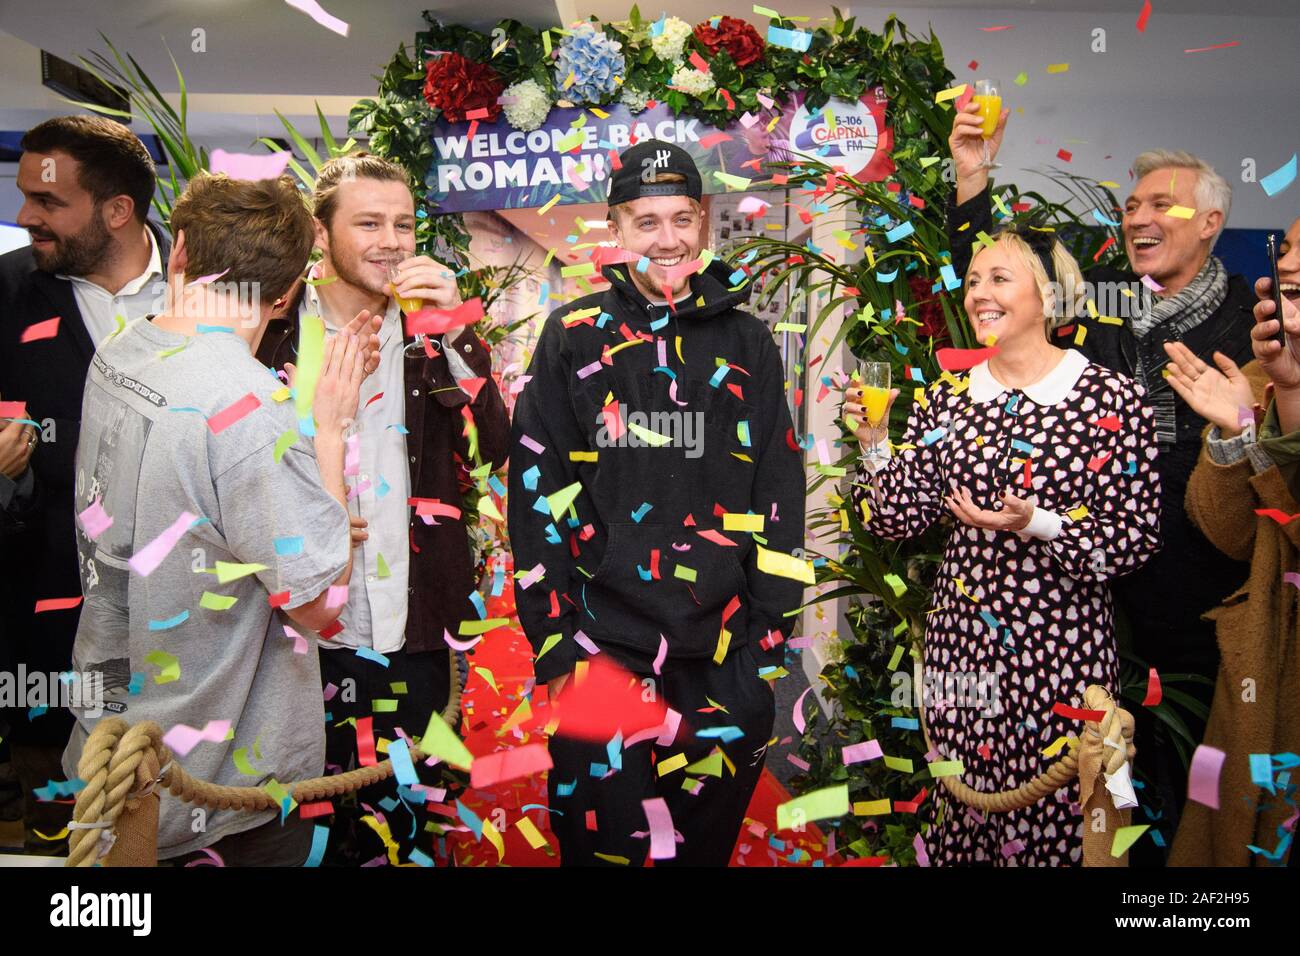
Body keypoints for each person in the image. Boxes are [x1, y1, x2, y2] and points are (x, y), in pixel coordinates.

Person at [946, 104, 1256, 858]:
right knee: (1092, 795)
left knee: (1194, 790)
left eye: (1162, 204)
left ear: (1211, 220)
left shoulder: (1255, 321)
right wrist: (971, 172)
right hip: (1087, 604)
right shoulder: (1097, 301)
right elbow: (996, 275)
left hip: (1202, 600)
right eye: (1132, 205)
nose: (1139, 217)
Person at [62, 171, 382, 866]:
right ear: (288, 292)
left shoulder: (121, 349)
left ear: (177, 253)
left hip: (111, 749)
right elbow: (316, 609)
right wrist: (328, 433)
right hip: (216, 792)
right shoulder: (251, 409)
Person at [507, 140, 805, 866]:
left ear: (703, 224)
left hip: (724, 657)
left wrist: (766, 639)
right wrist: (556, 649)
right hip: (600, 654)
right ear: (616, 227)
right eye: (646, 222)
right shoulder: (572, 335)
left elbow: (778, 492)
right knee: (603, 854)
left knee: (697, 854)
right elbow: (535, 496)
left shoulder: (748, 340)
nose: (666, 240)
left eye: (680, 220)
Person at [845, 227, 1162, 865]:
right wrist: (875, 443)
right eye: (972, 282)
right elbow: (895, 518)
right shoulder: (945, 398)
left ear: (1047, 295)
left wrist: (1036, 523)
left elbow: (1132, 541)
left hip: (1062, 652)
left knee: (1061, 828)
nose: (979, 295)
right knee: (965, 823)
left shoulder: (1114, 397)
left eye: (998, 279)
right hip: (962, 649)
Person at [255, 152, 509, 866]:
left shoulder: (434, 335)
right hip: (298, 639)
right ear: (318, 233)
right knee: (306, 832)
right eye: (368, 223)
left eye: (403, 223)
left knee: (409, 824)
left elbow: (498, 444)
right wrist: (311, 507)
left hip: (417, 628)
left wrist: (457, 327)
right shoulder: (272, 334)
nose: (391, 240)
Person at [0, 115, 168, 855]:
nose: (24, 216)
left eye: (47, 201)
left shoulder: (219, 292)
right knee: (54, 847)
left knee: (184, 834)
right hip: (44, 651)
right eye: (23, 196)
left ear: (117, 210)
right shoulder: (6, 294)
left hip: (190, 646)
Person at [1158, 213, 1300, 866]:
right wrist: (1244, 430)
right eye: (1289, 248)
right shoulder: (1255, 372)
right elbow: (1229, 534)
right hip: (1268, 677)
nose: (1289, 264)